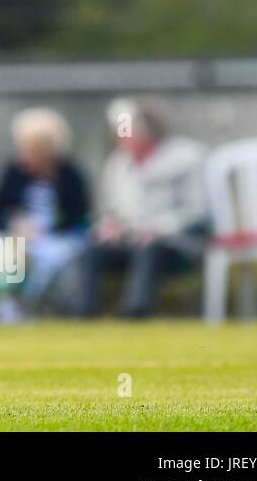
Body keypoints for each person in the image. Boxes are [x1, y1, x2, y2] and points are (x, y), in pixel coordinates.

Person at [77, 97, 207, 318]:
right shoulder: (117, 164)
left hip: (177, 243)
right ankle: (85, 311)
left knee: (149, 249)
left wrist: (158, 229)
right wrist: (110, 226)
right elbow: (113, 210)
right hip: (131, 241)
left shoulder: (188, 158)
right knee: (91, 251)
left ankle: (136, 310)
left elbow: (198, 210)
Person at [0, 107, 90, 320]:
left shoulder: (69, 176)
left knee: (60, 259)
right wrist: (15, 224)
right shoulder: (12, 173)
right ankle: (10, 310)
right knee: (4, 253)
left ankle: (49, 308)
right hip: (17, 236)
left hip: (59, 237)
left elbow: (78, 213)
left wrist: (47, 227)